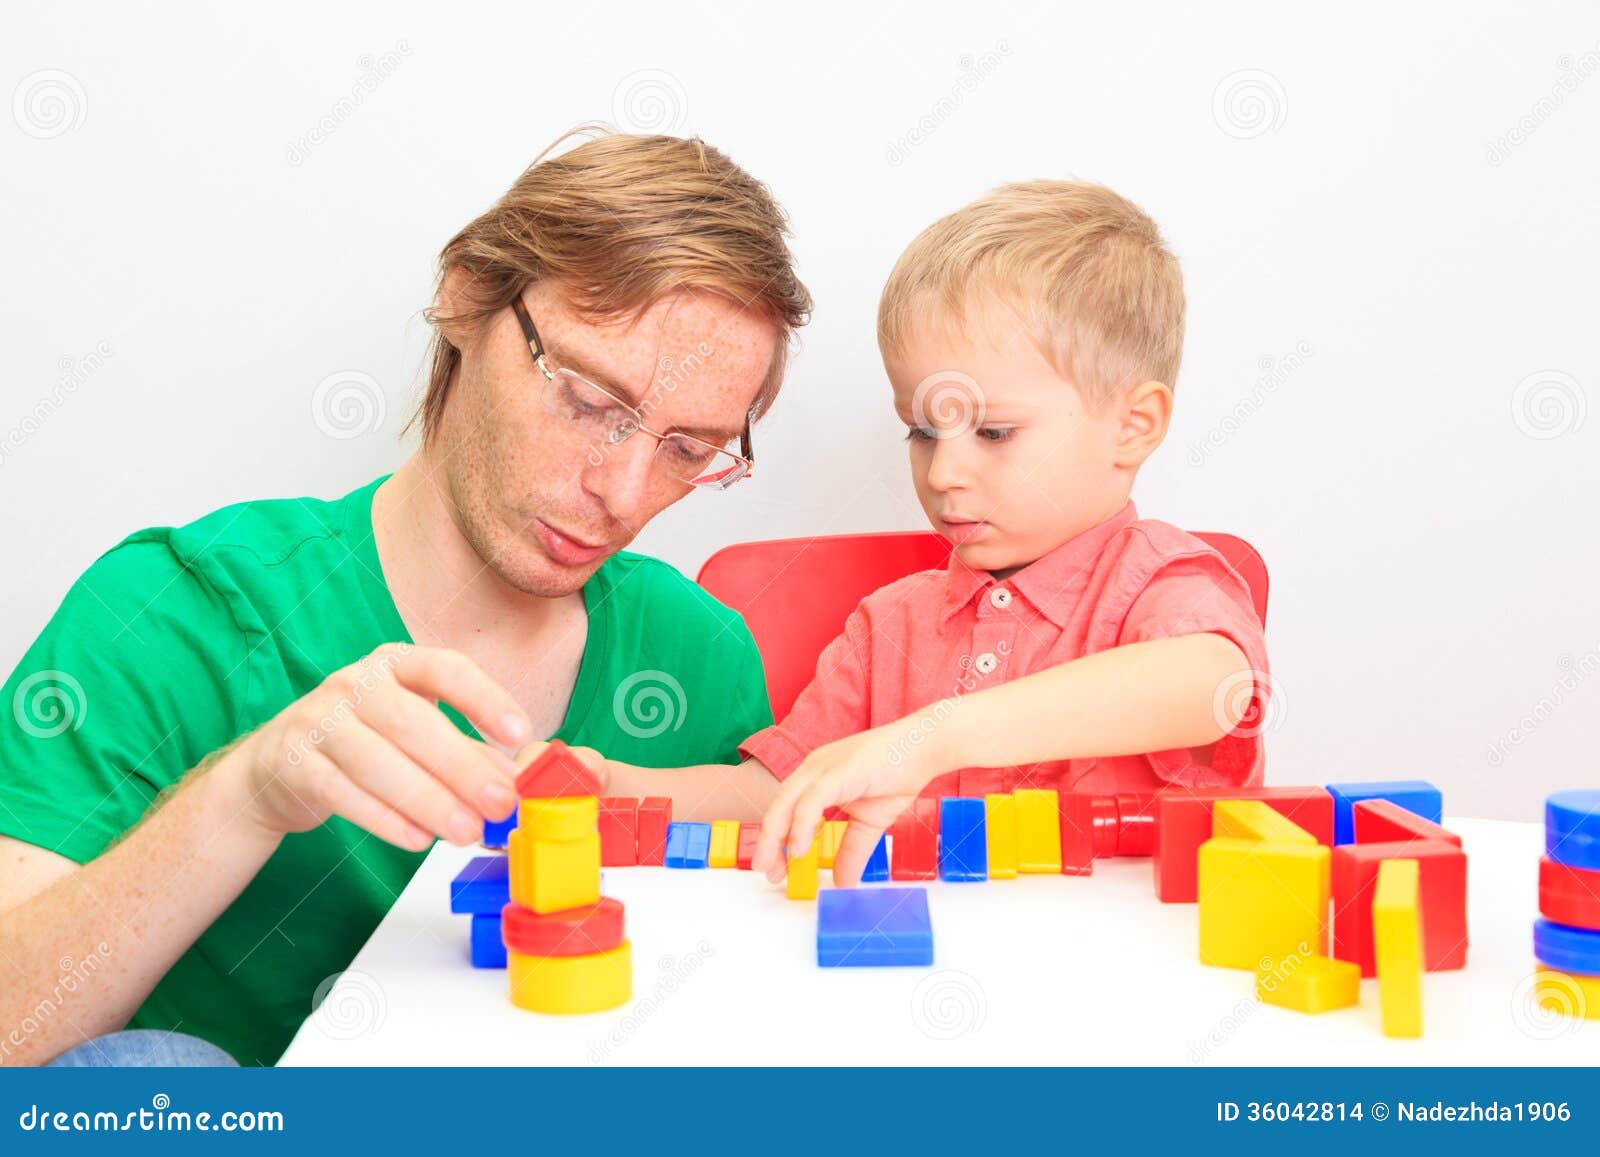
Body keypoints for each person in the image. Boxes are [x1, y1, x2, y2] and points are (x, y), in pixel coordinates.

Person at [0, 129, 810, 1066]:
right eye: (589, 398)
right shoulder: (175, 608)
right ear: (467, 299)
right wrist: (246, 796)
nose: (624, 494)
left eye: (686, 449)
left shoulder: (697, 653)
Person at [583, 179, 1270, 887]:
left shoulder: (1158, 582)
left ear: (1134, 426)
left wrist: (936, 735)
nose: (944, 472)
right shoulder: (889, 626)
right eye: (921, 430)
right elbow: (774, 793)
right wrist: (611, 780)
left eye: (994, 431)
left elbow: (1215, 684)